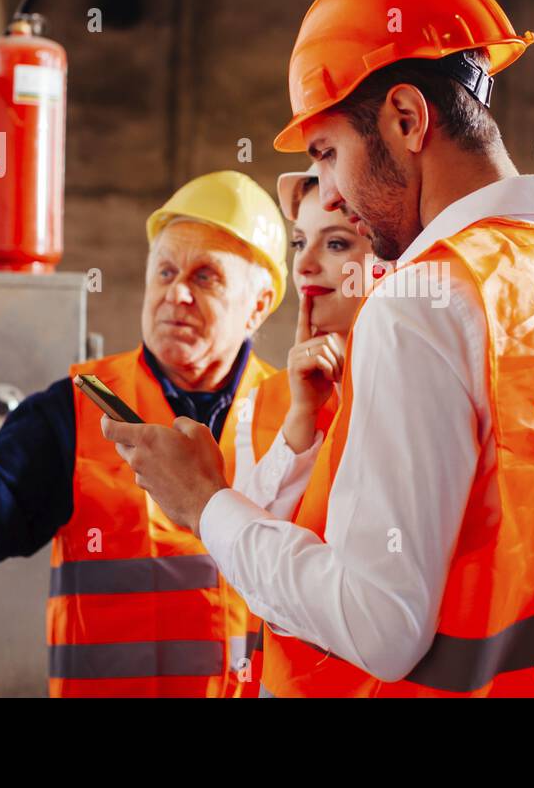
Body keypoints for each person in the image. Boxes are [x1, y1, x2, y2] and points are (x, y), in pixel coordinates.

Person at [101, 0, 534, 697]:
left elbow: (380, 623)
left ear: (407, 119)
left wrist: (204, 502)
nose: (329, 193)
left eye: (327, 153)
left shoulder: (426, 300)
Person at [0, 170, 287, 697]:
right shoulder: (77, 408)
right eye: (165, 272)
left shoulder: (294, 421)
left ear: (258, 305)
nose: (177, 295)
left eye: (205, 277)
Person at [226, 165, 378, 690]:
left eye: (335, 244)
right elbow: (248, 568)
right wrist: (301, 416)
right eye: (298, 243)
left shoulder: (412, 386)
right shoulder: (266, 400)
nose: (306, 266)